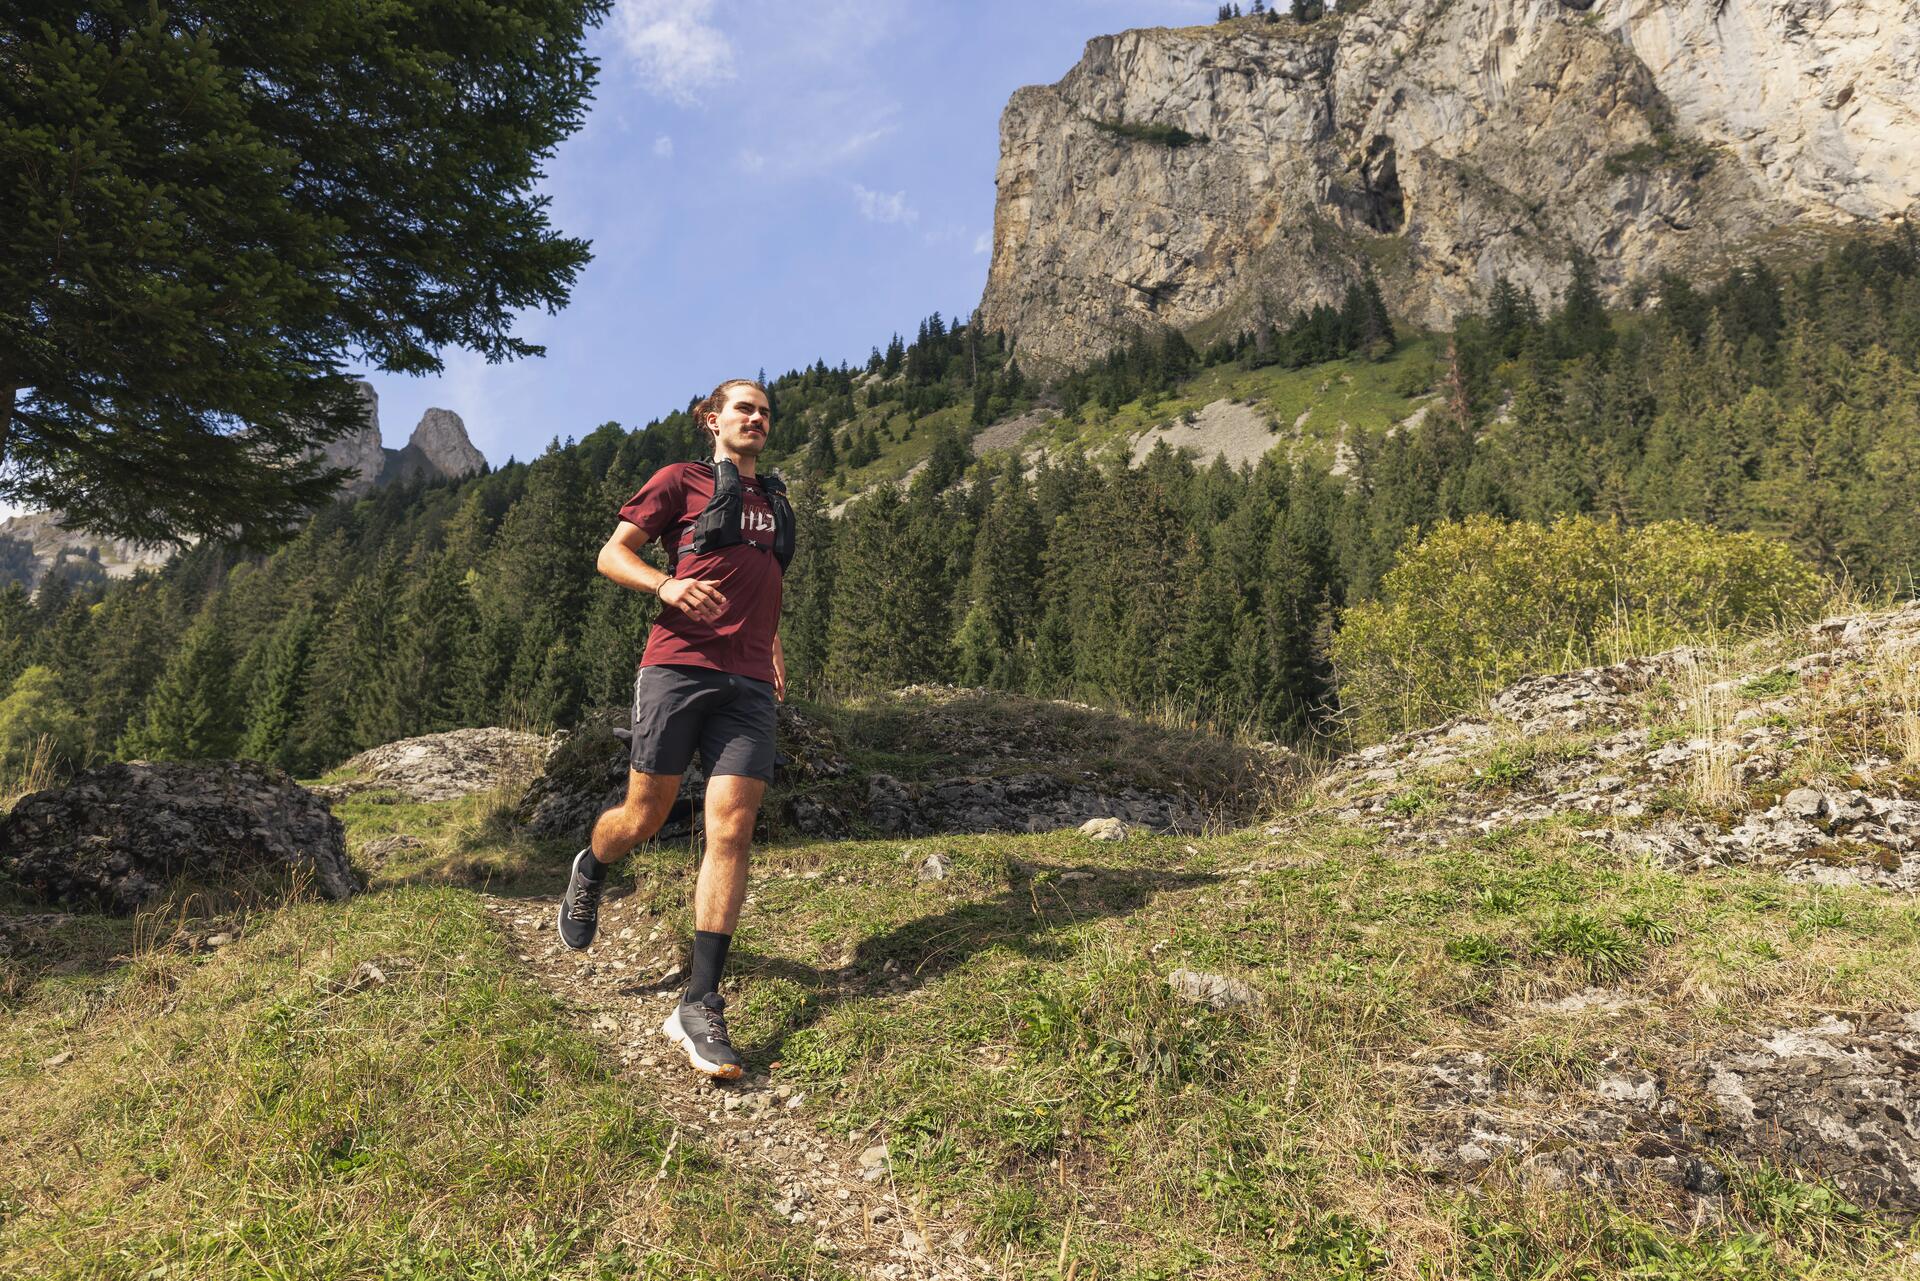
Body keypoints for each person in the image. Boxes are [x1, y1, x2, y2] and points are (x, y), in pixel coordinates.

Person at [559, 377, 795, 1080]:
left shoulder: (775, 501)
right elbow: (612, 554)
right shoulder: (679, 481)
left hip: (748, 682)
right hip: (677, 668)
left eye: (764, 411)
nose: (755, 418)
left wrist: (773, 647)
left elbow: (765, 581)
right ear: (711, 419)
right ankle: (592, 865)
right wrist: (665, 585)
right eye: (743, 408)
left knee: (731, 827)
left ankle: (699, 1001)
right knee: (644, 813)